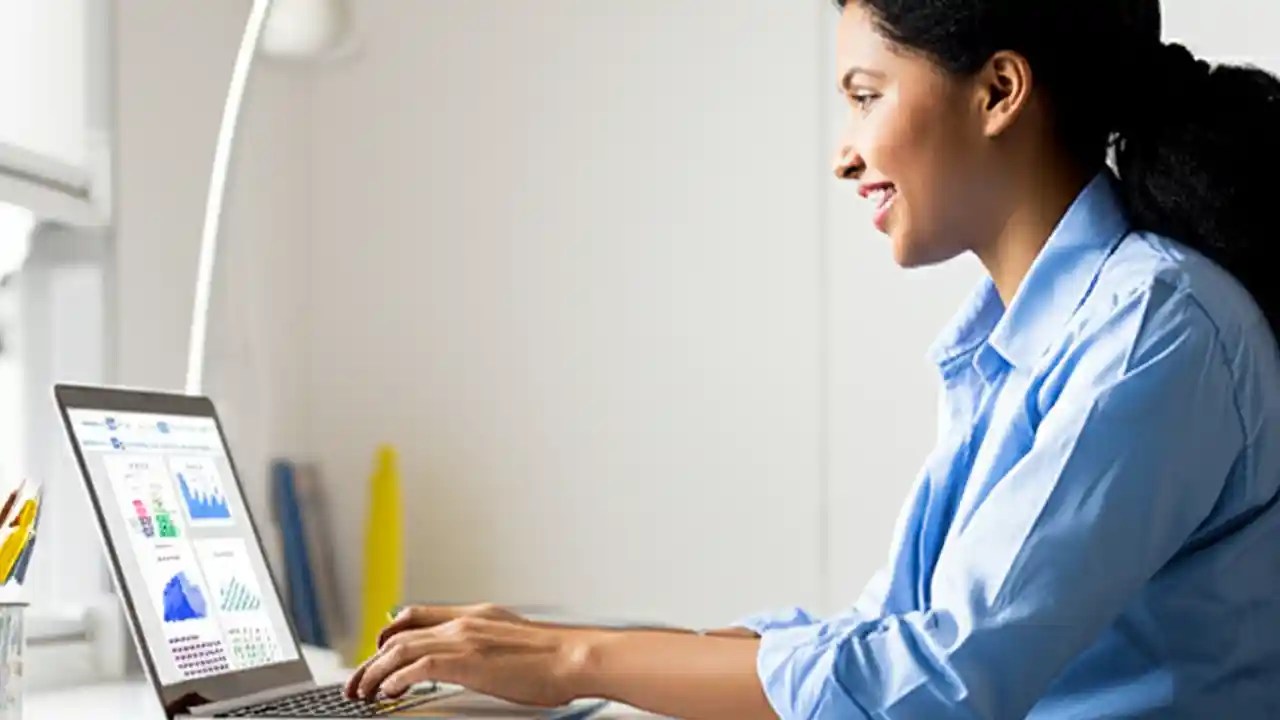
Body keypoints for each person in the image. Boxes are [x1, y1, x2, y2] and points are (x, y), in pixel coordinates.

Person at [346, 0, 1280, 717]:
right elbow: (880, 637)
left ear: (998, 91)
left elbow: (937, 678)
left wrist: (569, 664)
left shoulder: (1157, 329)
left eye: (866, 97)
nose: (844, 154)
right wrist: (552, 646)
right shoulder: (1027, 336)